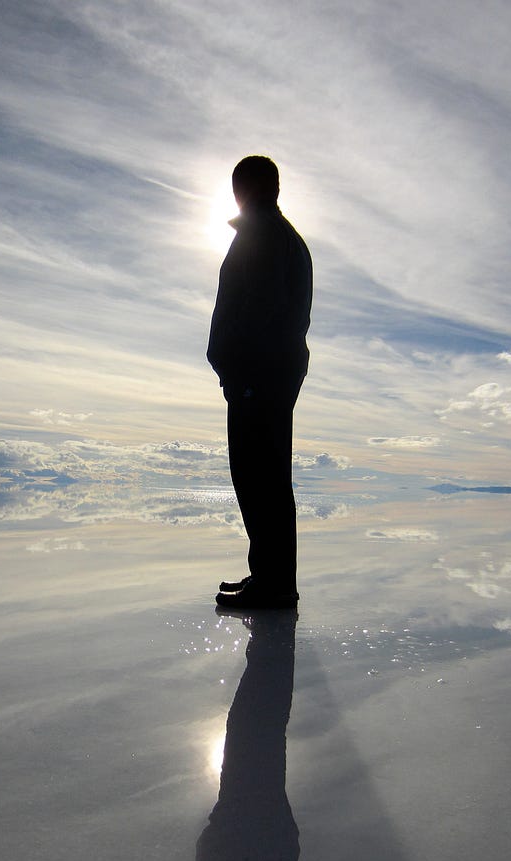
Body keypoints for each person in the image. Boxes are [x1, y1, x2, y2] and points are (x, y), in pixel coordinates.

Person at [207, 155, 312, 609]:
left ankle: (274, 584)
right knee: (262, 475)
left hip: (260, 373)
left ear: (247, 190)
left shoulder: (266, 235)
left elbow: (261, 309)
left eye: (239, 187)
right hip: (265, 371)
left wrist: (240, 369)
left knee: (258, 475)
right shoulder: (272, 234)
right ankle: (269, 576)